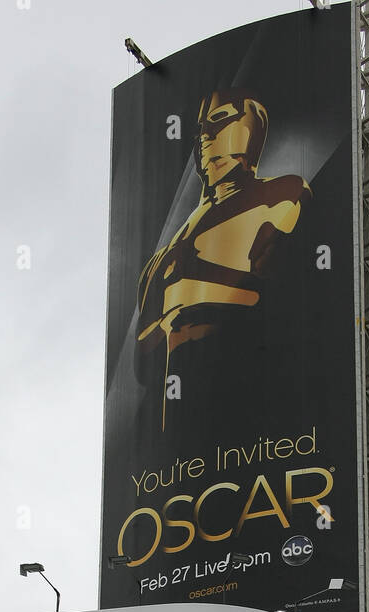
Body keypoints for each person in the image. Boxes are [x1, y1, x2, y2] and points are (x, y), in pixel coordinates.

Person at [136, 88, 311, 429]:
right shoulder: (158, 258)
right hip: (176, 434)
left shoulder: (282, 195)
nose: (205, 135)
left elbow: (286, 302)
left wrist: (187, 300)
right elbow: (141, 356)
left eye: (218, 120)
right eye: (201, 127)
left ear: (251, 129)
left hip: (250, 406)